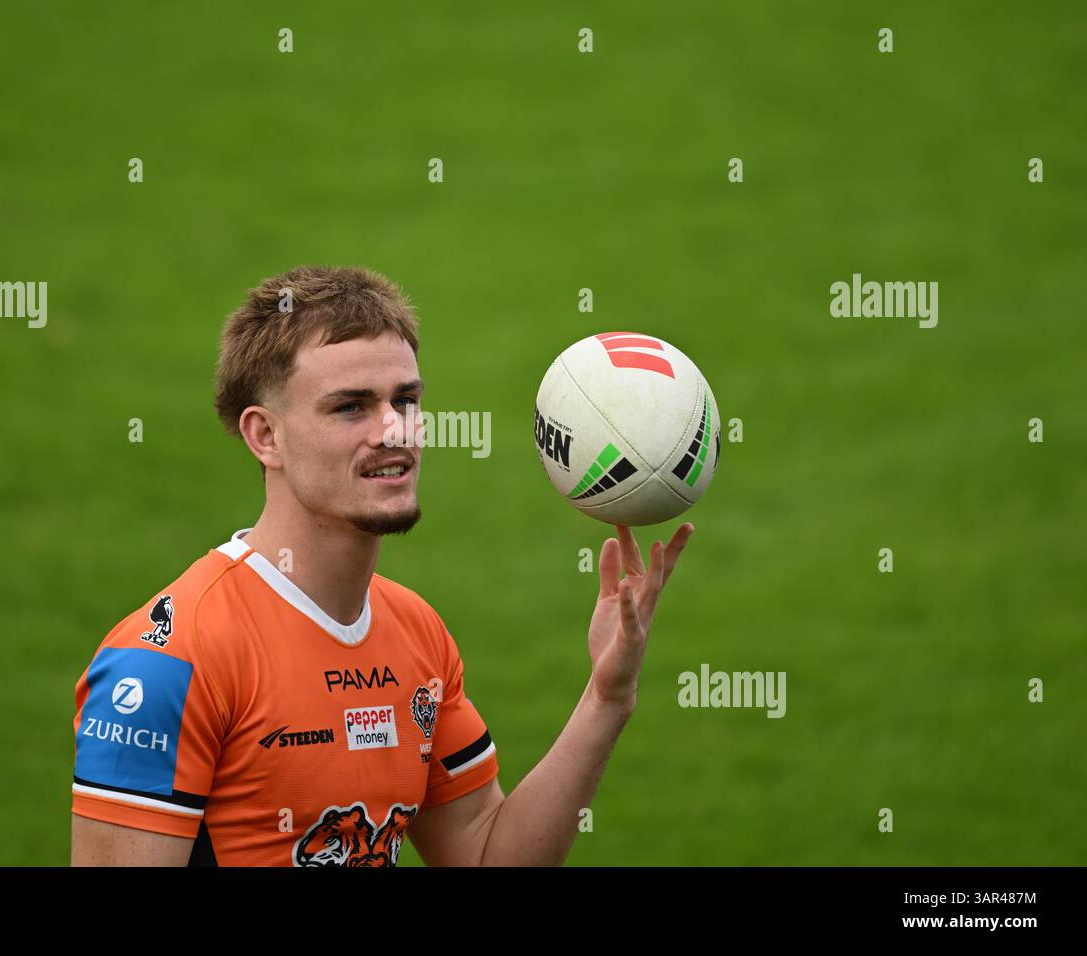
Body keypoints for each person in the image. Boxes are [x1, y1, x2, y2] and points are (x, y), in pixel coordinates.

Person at [70, 266, 693, 866]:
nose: (394, 430)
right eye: (351, 407)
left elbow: (484, 856)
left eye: (406, 400)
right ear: (265, 436)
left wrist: (606, 698)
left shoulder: (415, 633)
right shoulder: (174, 659)